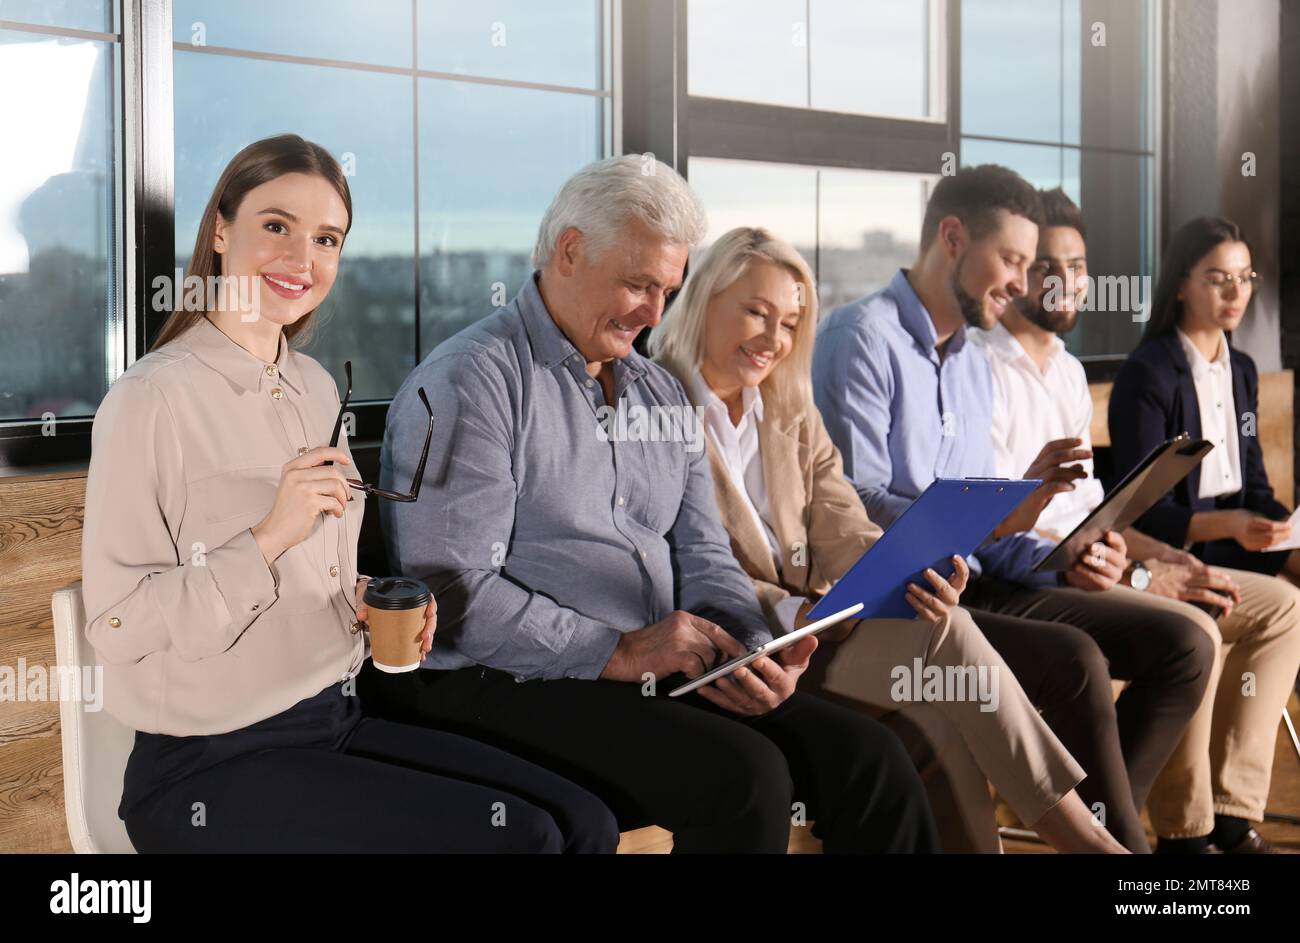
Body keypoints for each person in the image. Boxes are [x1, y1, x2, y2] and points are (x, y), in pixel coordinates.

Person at [371, 155, 940, 853]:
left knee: (872, 760)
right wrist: (619, 649)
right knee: (748, 777)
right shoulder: (472, 382)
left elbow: (704, 555)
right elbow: (454, 598)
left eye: (667, 290)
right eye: (638, 285)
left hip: (646, 669)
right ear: (570, 251)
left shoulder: (660, 394)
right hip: (508, 678)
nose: (654, 313)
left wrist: (750, 649)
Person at [81, 134, 619, 853]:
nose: (303, 258)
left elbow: (312, 573)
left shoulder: (316, 388)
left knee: (588, 824)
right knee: (520, 839)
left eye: (326, 238)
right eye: (276, 226)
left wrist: (363, 597)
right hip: (204, 766)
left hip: (332, 719)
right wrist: (268, 536)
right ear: (220, 230)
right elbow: (116, 626)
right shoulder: (150, 400)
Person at [649, 225, 1127, 853]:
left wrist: (908, 571)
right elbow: (691, 562)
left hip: (829, 629)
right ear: (706, 300)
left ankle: (1092, 843)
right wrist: (801, 612)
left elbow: (843, 519)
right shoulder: (657, 408)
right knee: (943, 672)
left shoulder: (788, 410)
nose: (774, 339)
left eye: (789, 323)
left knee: (943, 651)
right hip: (747, 653)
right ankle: (1095, 846)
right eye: (756, 313)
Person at [811, 164, 1215, 853]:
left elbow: (988, 534)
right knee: (1077, 659)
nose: (1024, 285)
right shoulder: (862, 337)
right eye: (1013, 260)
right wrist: (998, 514)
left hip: (976, 580)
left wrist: (1060, 557)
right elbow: (857, 505)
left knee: (1182, 641)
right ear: (952, 237)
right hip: (895, 600)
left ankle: (1112, 847)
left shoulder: (967, 360)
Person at [1105, 213, 1300, 852]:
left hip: (1237, 550)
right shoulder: (1149, 373)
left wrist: (1280, 531)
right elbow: (1135, 509)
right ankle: (1186, 832)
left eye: (1245, 278)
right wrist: (1227, 526)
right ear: (1182, 284)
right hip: (1170, 553)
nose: (1235, 292)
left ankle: (1234, 811)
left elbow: (1259, 489)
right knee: (1203, 627)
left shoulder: (1240, 369)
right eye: (1218, 279)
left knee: (1289, 608)